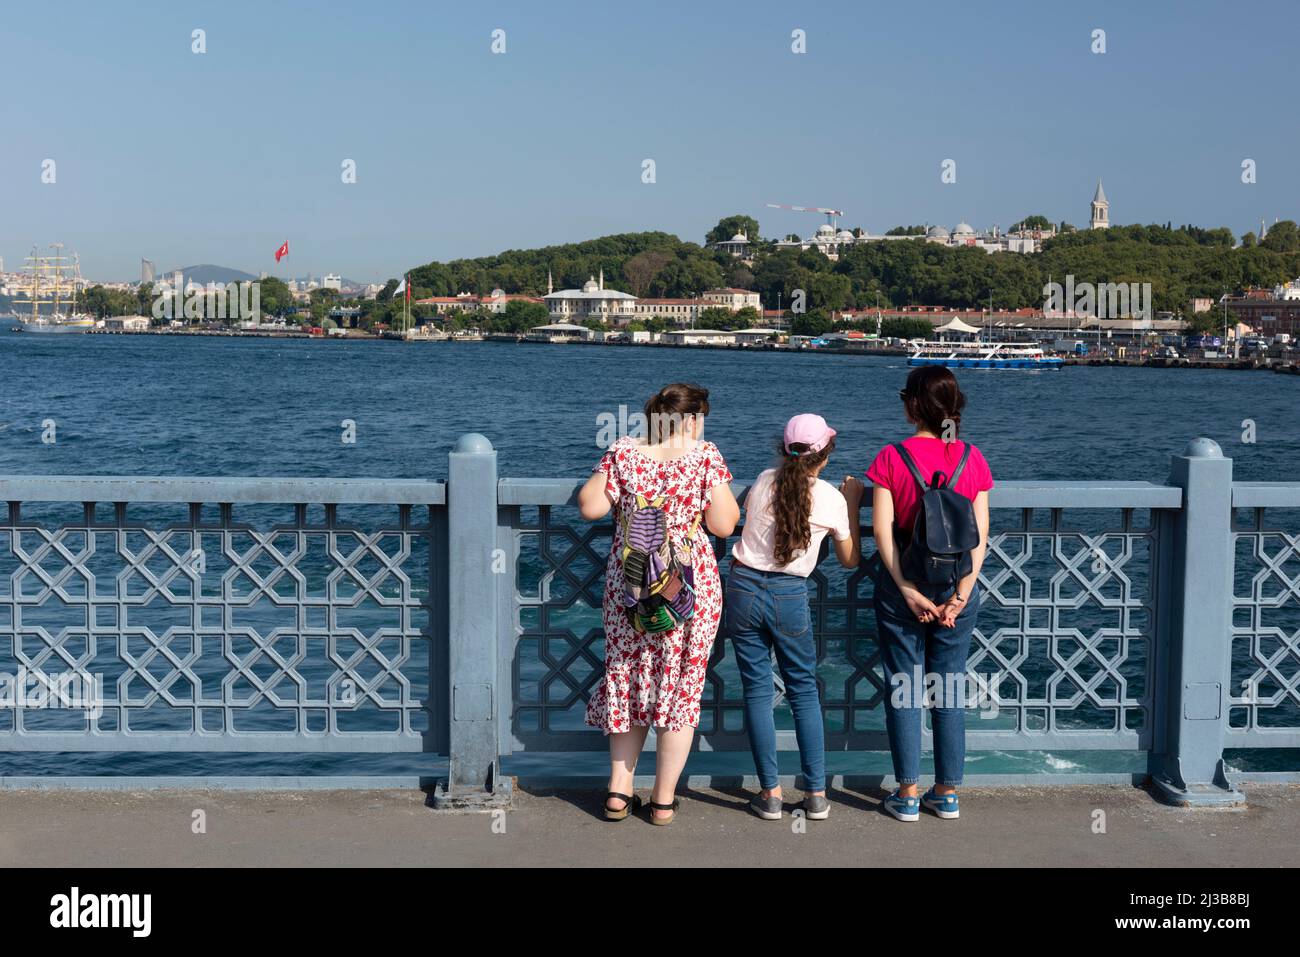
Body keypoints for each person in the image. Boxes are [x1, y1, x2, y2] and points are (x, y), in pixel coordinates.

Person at [578, 382, 739, 825]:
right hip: (687, 589)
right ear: (691, 419)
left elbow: (590, 506)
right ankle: (663, 800)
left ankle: (618, 791)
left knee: (626, 676)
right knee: (680, 685)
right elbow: (724, 525)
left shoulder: (625, 451)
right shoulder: (705, 455)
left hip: (629, 586)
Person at [867, 366, 992, 822]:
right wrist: (962, 593)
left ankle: (908, 795)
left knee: (905, 688)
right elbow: (979, 535)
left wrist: (906, 589)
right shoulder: (971, 457)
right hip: (957, 587)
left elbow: (882, 532)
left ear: (913, 405)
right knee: (950, 688)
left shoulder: (891, 457)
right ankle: (948, 794)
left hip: (905, 590)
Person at [726, 414, 862, 821]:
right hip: (788, 595)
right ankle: (816, 794)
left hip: (743, 588)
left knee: (757, 692)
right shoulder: (831, 499)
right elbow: (850, 560)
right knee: (803, 691)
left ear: (784, 450)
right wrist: (851, 505)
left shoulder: (765, 480)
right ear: (826, 454)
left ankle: (769, 794)